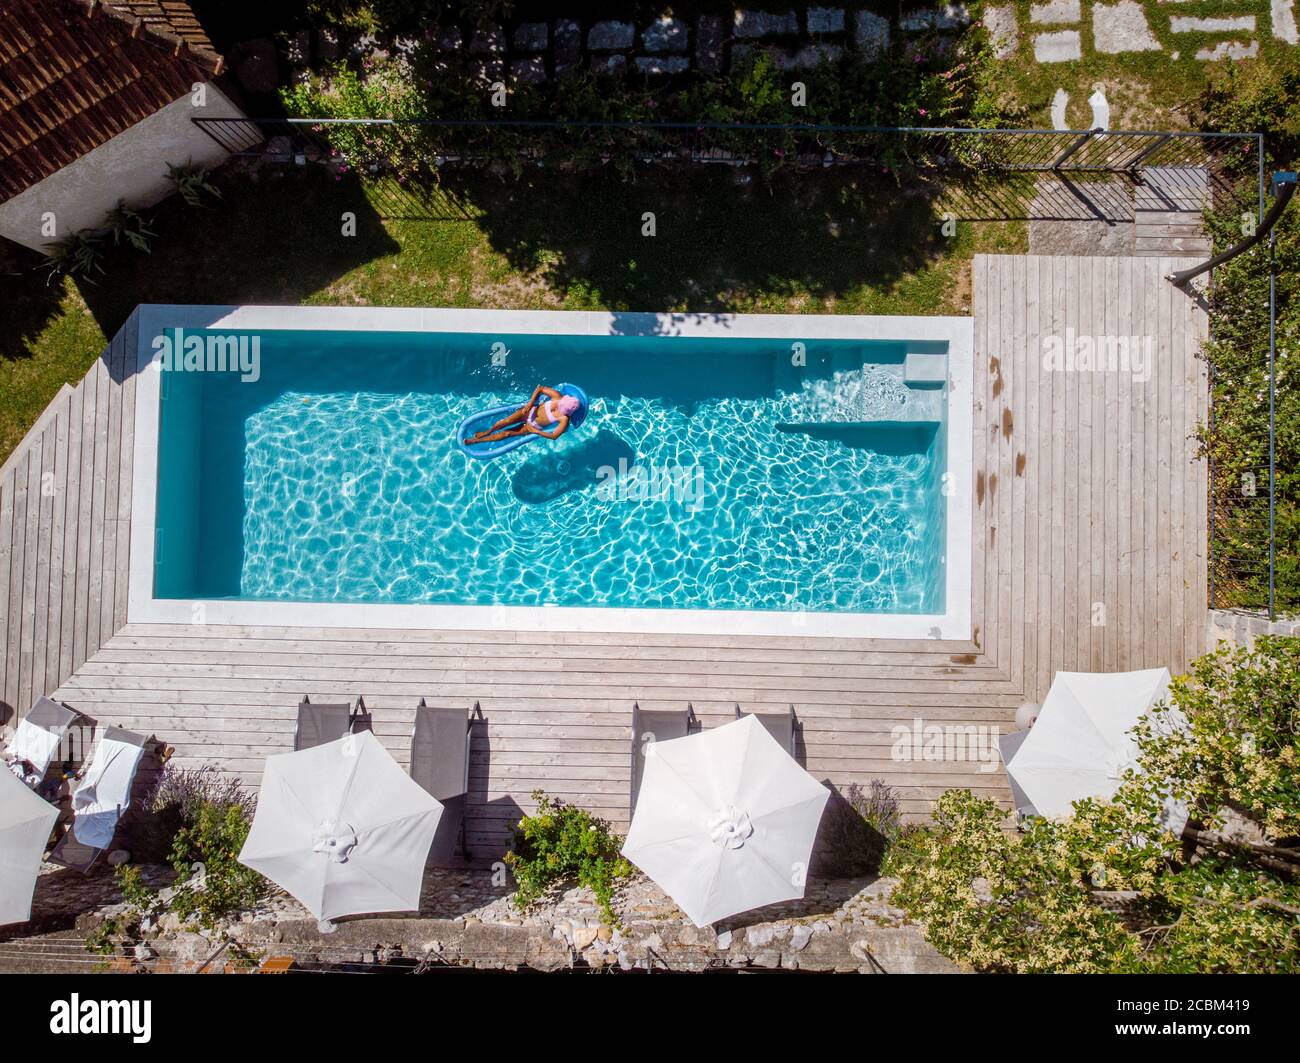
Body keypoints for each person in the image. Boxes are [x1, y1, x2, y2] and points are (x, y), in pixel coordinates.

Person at [465, 385, 581, 445]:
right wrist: (530, 404)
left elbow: (554, 436)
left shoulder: (564, 419)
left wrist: (535, 431)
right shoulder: (557, 396)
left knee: (507, 433)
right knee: (503, 423)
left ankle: (476, 441)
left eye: (561, 409)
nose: (558, 407)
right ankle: (487, 432)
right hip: (527, 412)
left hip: (532, 427)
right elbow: (540, 388)